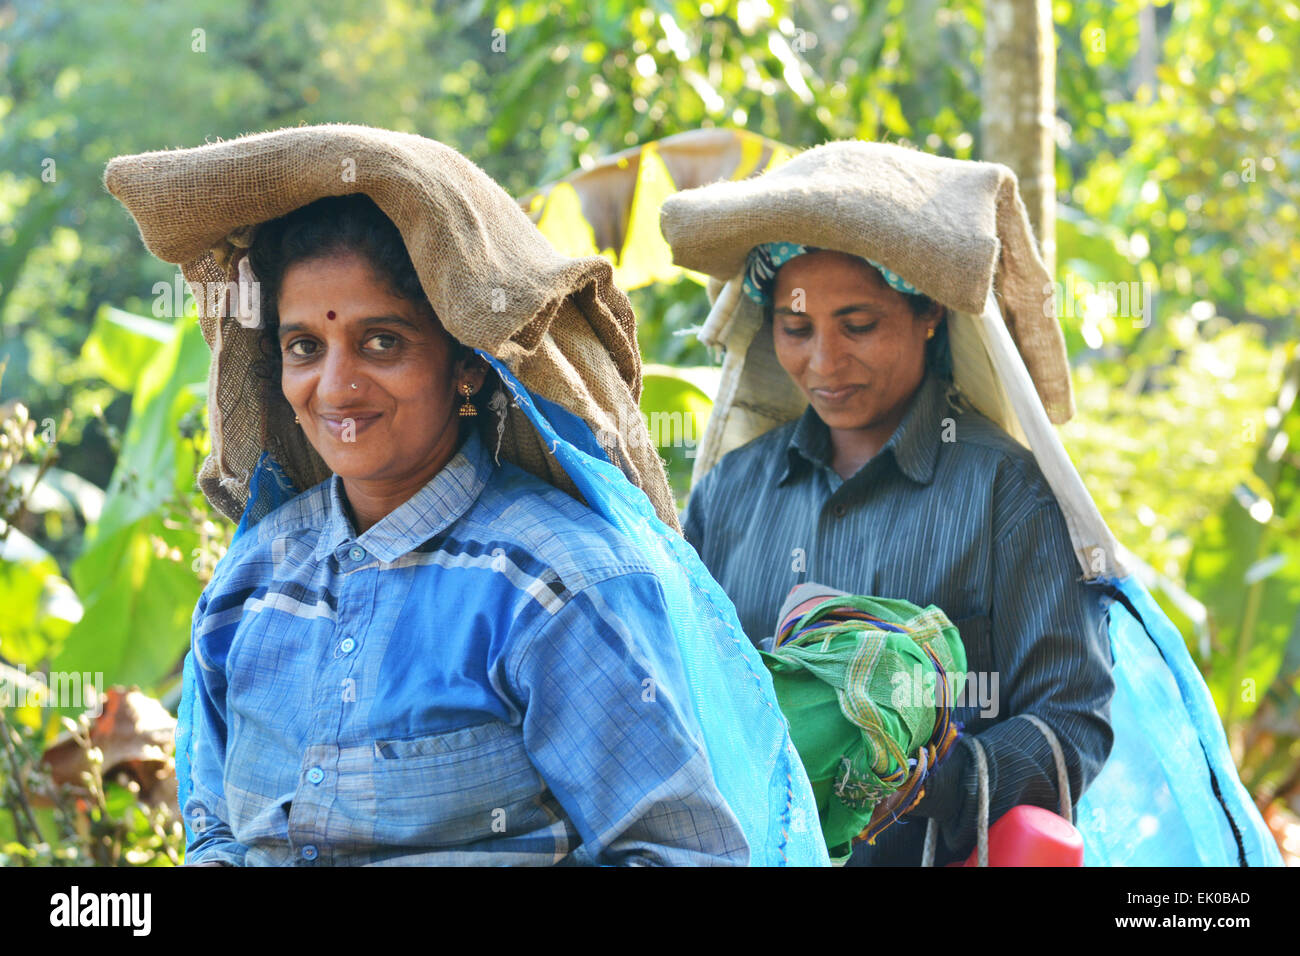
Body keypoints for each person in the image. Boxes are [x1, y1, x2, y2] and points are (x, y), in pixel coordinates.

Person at [105, 126, 831, 866]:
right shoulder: (252, 582)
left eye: (381, 341)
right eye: (305, 347)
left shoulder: (555, 587)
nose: (336, 386)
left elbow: (682, 855)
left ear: (467, 367)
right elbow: (220, 835)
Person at [666, 147, 1117, 865]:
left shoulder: (1005, 491)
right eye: (796, 326)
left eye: (859, 324)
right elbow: (678, 685)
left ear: (928, 310)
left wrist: (922, 781)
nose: (824, 361)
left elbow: (1072, 722)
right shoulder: (732, 492)